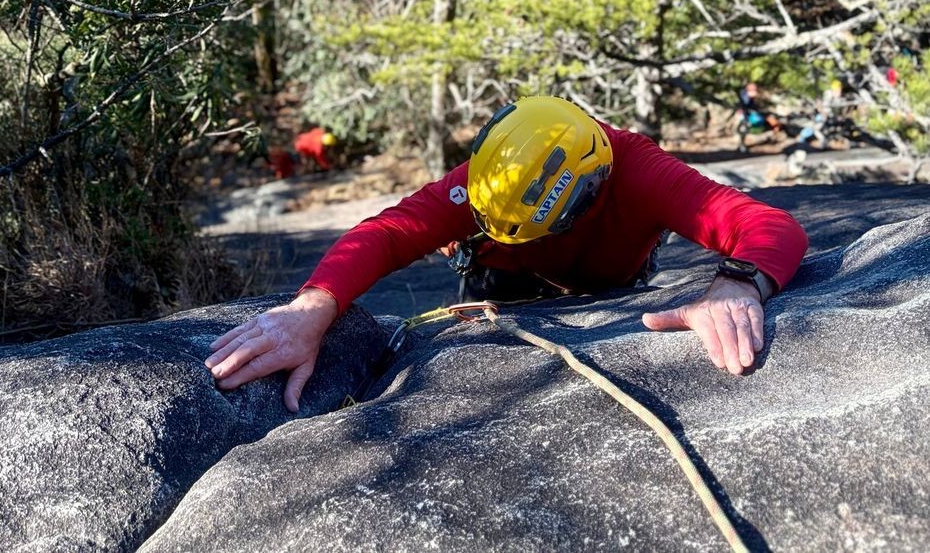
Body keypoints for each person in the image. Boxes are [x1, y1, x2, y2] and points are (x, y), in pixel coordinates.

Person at [207, 96, 808, 413]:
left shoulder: (639, 171)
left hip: (609, 289)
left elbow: (767, 227)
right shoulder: (494, 177)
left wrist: (736, 283)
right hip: (498, 287)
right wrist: (313, 306)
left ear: (590, 191)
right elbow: (389, 232)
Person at [267, 127, 338, 179]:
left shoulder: (319, 132)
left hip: (300, 138)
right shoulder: (318, 149)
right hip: (299, 148)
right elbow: (321, 160)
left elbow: (317, 129)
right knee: (298, 163)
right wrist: (328, 167)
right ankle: (297, 174)